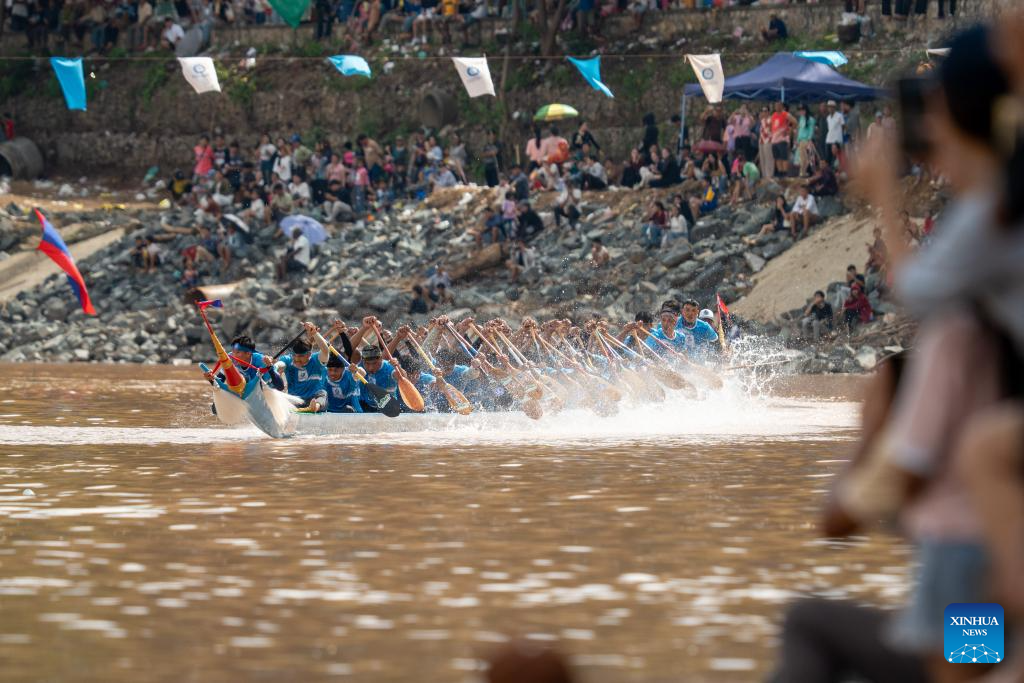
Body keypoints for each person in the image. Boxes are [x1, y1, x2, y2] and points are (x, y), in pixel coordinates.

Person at [275, 325, 329, 412]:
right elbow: (280, 365)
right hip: (296, 400)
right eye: (294, 355)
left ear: (309, 354)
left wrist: (315, 333)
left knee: (323, 393)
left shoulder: (316, 360)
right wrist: (275, 366)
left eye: (300, 356)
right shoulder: (288, 360)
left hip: (313, 400)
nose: (296, 359)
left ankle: (314, 408)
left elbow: (325, 350)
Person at [770, 101, 797, 177]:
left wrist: (789, 131)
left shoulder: (785, 114)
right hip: (774, 140)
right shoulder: (774, 115)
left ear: (782, 106)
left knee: (784, 157)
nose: (777, 107)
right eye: (776, 106)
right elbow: (772, 126)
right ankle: (780, 172)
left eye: (778, 105)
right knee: (777, 157)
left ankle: (785, 173)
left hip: (782, 140)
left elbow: (795, 122)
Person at [824, 100, 845, 166]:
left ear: (834, 107)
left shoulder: (839, 116)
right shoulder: (828, 118)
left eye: (831, 107)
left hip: (836, 140)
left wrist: (838, 138)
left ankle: (835, 173)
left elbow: (843, 126)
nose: (830, 108)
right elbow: (829, 129)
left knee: (835, 159)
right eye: (829, 107)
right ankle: (829, 173)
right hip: (829, 139)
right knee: (828, 158)